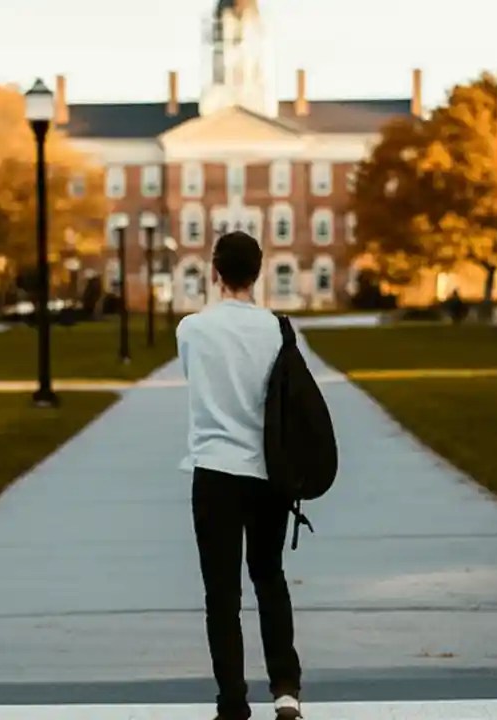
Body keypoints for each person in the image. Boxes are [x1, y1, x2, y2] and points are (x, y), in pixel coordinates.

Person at [176, 231, 303, 720]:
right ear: (259, 272)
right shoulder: (278, 329)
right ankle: (286, 688)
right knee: (270, 578)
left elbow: (198, 381)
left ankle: (232, 699)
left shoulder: (191, 330)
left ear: (214, 271)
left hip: (215, 471)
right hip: (268, 471)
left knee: (221, 592)